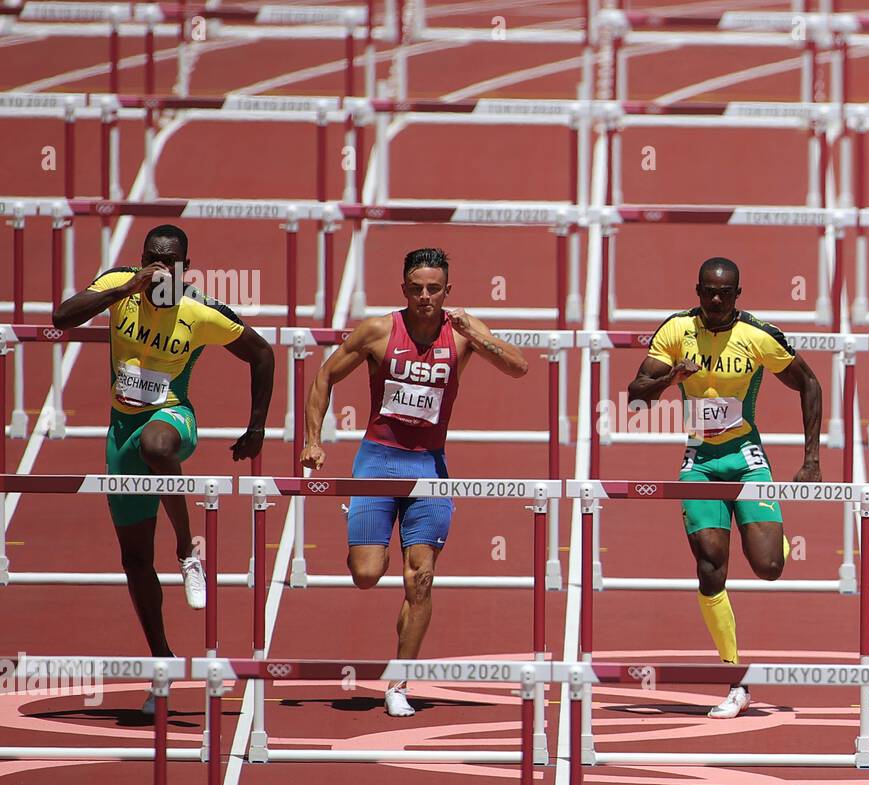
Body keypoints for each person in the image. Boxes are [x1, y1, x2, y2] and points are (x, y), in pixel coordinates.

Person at [54, 224, 274, 711]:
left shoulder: (198, 311)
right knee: (134, 558)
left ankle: (186, 550)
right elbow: (63, 317)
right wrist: (127, 288)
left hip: (172, 417)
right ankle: (163, 664)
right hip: (119, 432)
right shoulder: (119, 285)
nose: (159, 269)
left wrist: (255, 427)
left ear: (185, 269)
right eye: (152, 258)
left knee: (157, 447)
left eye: (170, 263)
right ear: (141, 258)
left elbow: (261, 353)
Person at [300, 248, 529, 716]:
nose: (425, 297)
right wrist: (312, 440)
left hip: (429, 465)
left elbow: (518, 366)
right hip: (377, 461)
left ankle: (398, 682)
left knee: (420, 577)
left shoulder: (463, 330)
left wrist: (475, 338)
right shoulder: (379, 330)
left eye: (434, 289)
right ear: (404, 289)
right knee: (366, 574)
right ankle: (367, 534)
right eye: (417, 288)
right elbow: (324, 375)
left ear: (448, 290)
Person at [627, 257, 823, 718]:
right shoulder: (675, 331)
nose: (716, 301)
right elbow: (636, 396)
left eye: (725, 294)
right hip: (700, 462)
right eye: (708, 293)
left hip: (746, 459)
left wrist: (811, 459)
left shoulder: (758, 336)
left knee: (769, 566)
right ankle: (736, 680)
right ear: (697, 291)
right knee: (711, 567)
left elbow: (809, 383)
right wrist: (671, 377)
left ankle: (773, 535)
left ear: (738, 294)